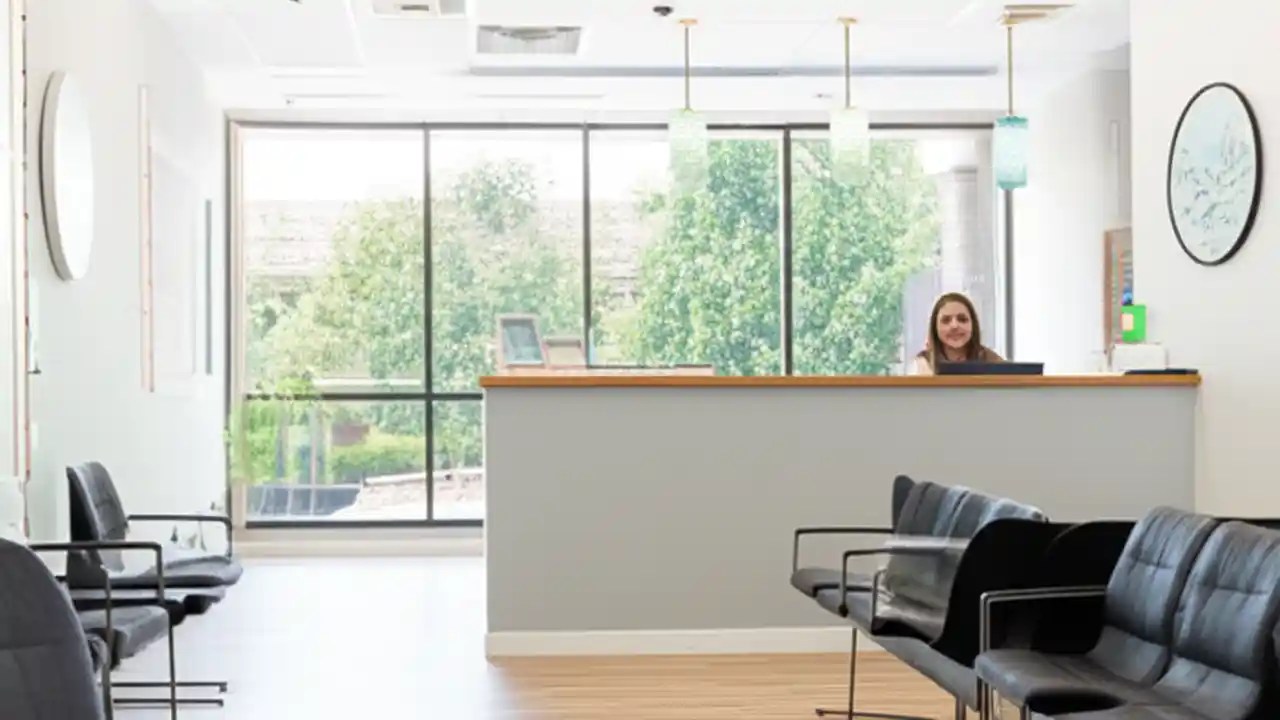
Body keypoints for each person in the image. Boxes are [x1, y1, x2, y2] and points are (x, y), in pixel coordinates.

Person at [913, 292, 1004, 375]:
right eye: (946, 320)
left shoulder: (994, 362)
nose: (954, 326)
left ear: (973, 325)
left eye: (962, 319)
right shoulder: (921, 365)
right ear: (935, 327)